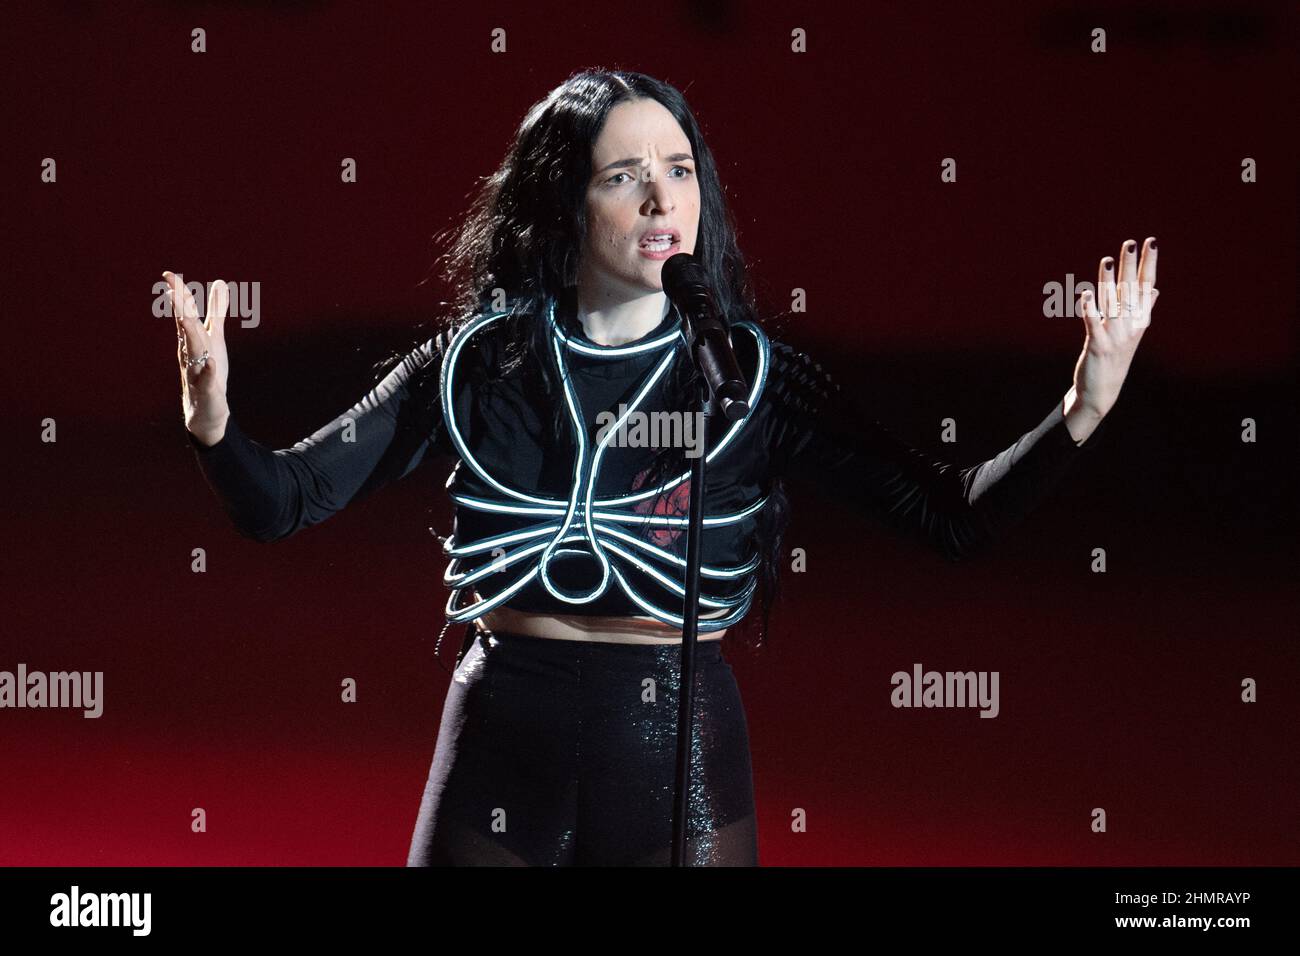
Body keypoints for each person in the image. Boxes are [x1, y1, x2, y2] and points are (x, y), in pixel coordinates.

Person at [168, 70, 1159, 866]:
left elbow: (953, 520)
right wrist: (213, 420)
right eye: (621, 174)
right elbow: (281, 503)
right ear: (562, 202)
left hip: (674, 738)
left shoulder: (752, 376)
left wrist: (1082, 409)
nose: (659, 197)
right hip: (503, 726)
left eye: (679, 169)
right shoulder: (477, 366)